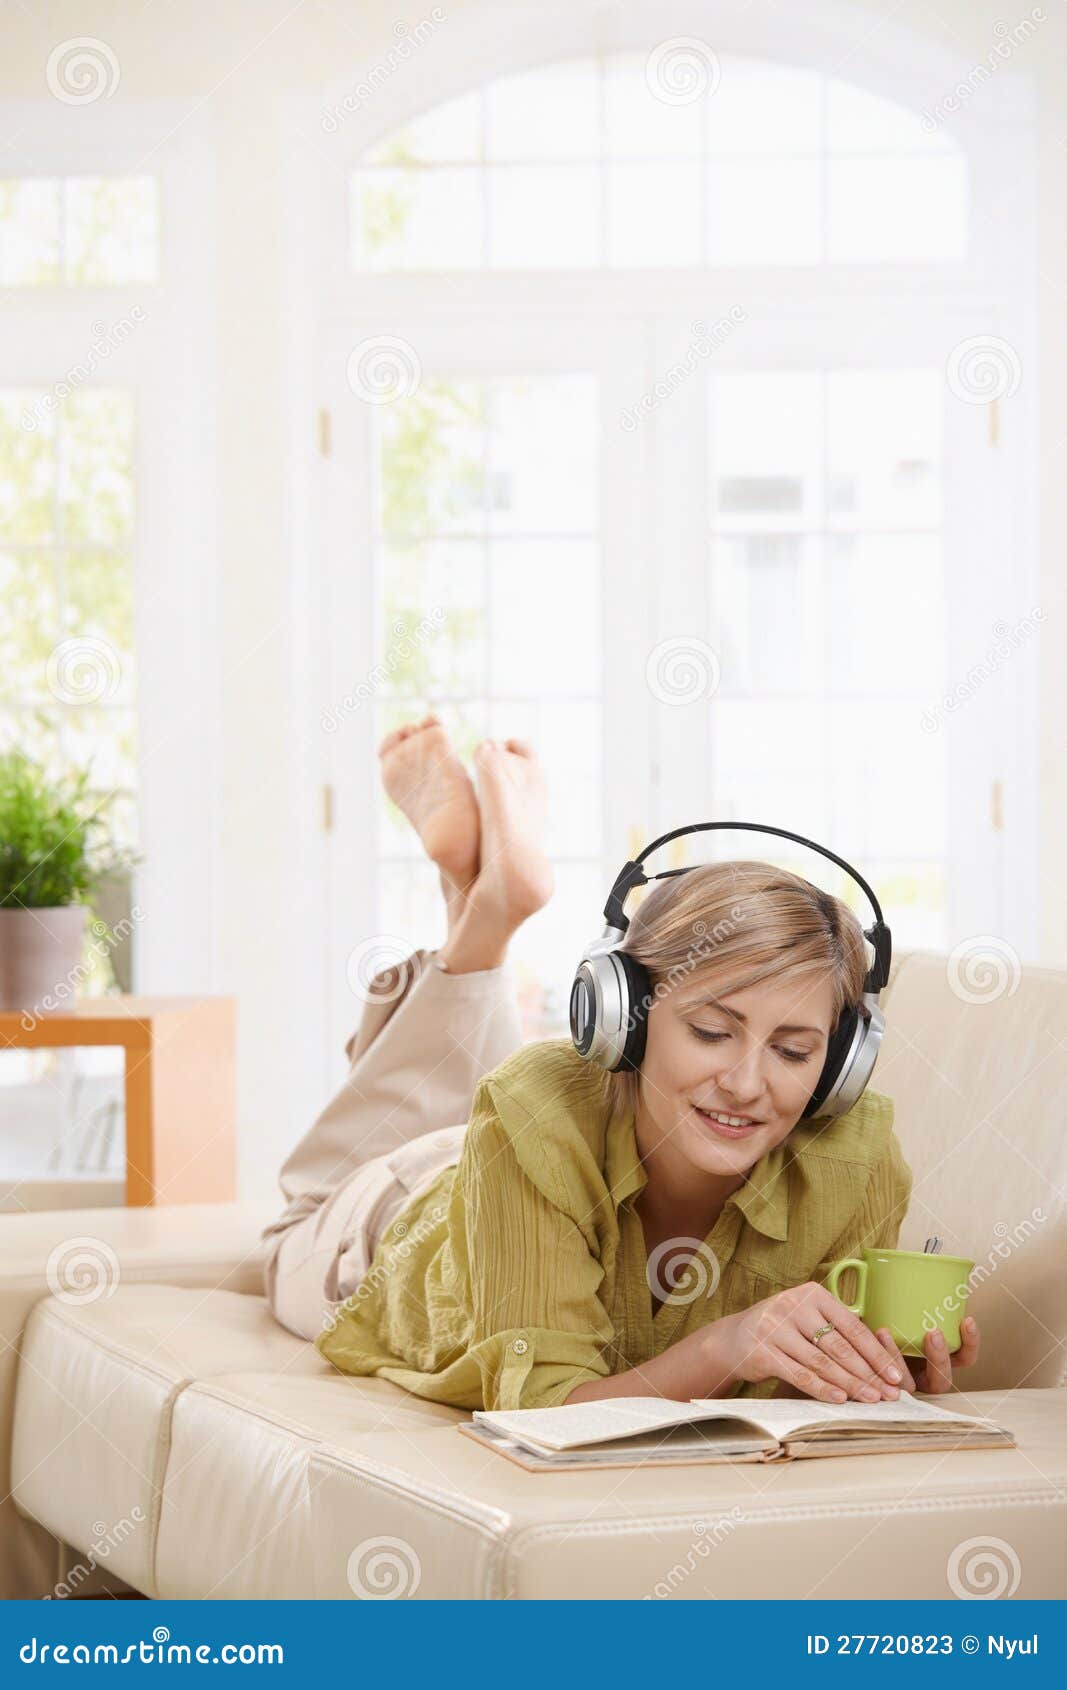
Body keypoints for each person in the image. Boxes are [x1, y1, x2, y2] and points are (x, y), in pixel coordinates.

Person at [261, 714, 981, 1412]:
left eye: (794, 1051)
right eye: (709, 1032)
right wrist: (724, 1345)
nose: (746, 1083)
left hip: (530, 1147)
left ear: (839, 1065)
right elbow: (545, 1407)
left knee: (515, 1103)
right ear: (622, 1020)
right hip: (409, 1204)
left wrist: (867, 1371)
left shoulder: (855, 1160)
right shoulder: (531, 1110)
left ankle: (477, 900)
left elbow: (787, 1385)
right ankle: (477, 914)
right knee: (298, 1218)